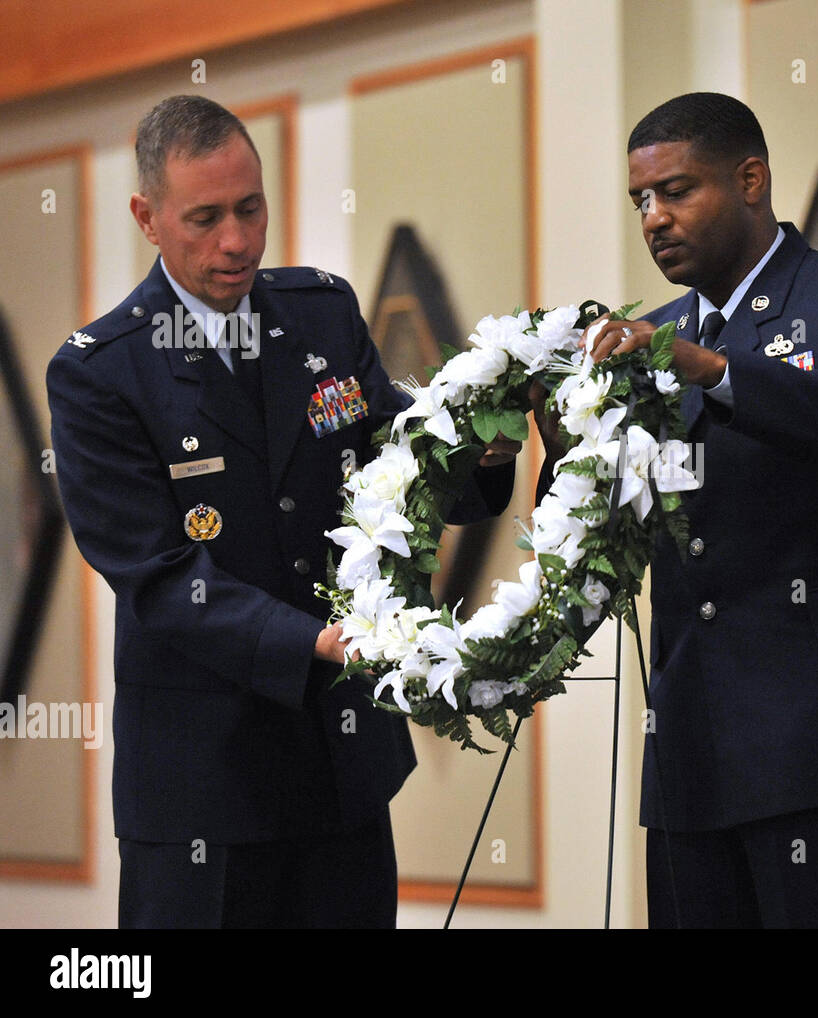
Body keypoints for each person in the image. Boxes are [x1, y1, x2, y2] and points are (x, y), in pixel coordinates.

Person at [45, 95, 520, 928]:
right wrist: (312, 639)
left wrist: (474, 459)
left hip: (340, 768)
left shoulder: (320, 311)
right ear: (146, 219)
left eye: (250, 207)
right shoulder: (102, 373)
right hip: (205, 789)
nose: (236, 241)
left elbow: (392, 469)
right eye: (204, 218)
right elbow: (157, 576)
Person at [567, 92, 818, 928]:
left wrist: (713, 369)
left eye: (676, 191)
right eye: (640, 201)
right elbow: (599, 521)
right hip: (696, 746)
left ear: (750, 179)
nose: (654, 219)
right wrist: (556, 437)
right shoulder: (651, 333)